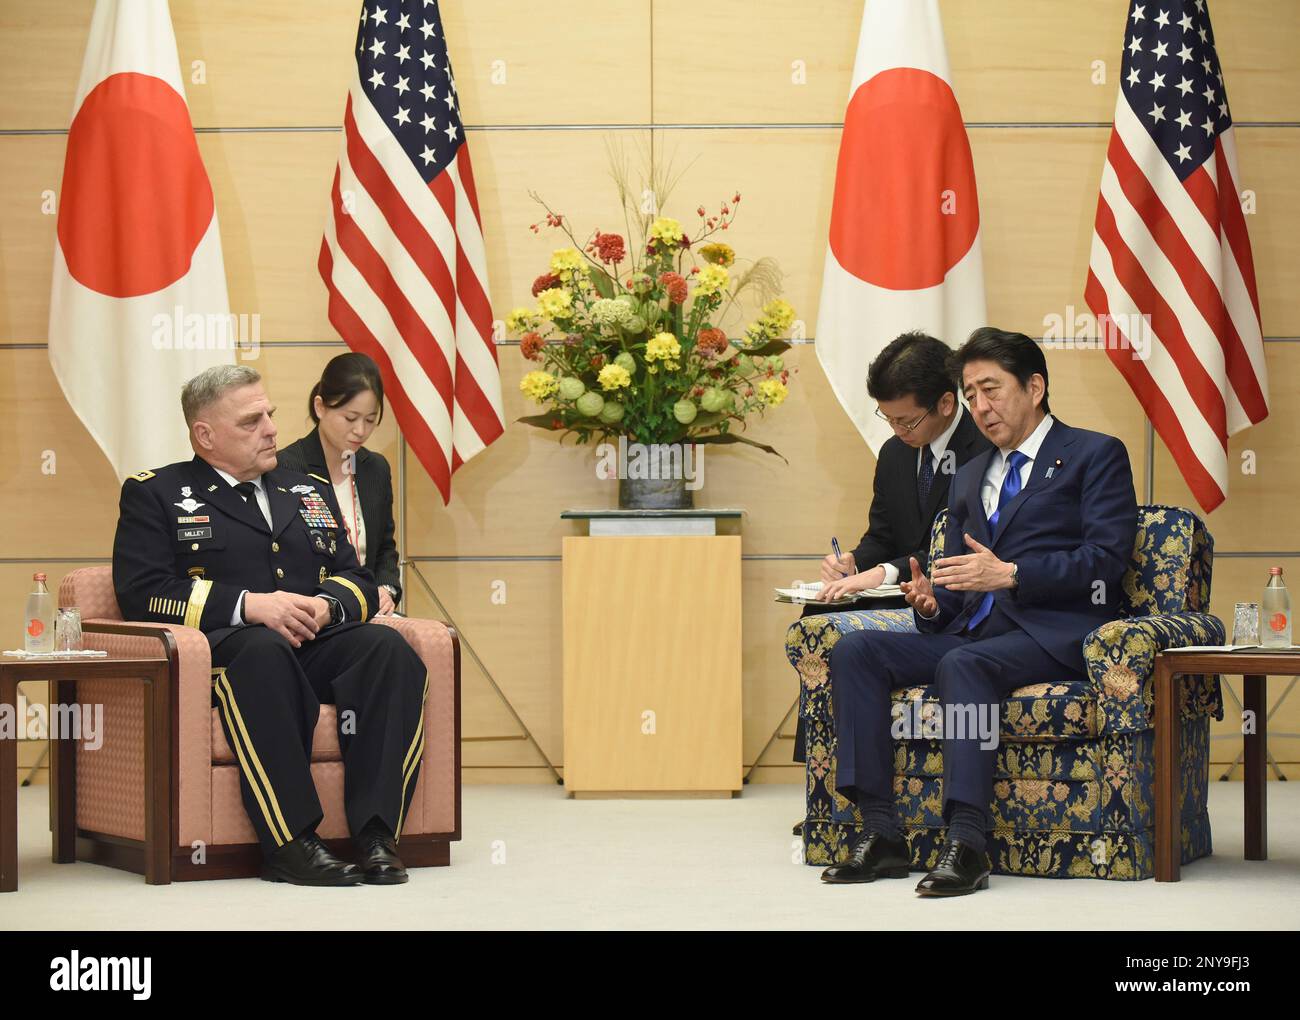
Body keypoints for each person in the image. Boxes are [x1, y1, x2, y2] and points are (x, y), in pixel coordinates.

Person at [820, 327, 1137, 896]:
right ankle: (880, 832)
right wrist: (931, 603)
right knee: (856, 649)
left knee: (964, 666)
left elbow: (1105, 562)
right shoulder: (970, 475)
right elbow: (959, 584)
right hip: (977, 631)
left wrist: (1013, 575)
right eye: (969, 395)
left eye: (991, 389)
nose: (980, 407)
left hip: (1054, 633)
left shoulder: (1095, 454)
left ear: (1035, 386)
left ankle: (968, 842)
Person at [111, 364, 428, 887]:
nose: (271, 430)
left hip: (311, 642)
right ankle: (291, 843)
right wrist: (248, 605)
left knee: (385, 650)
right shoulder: (158, 493)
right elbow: (143, 593)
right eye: (251, 421)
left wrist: (328, 605)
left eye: (270, 415)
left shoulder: (305, 488)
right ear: (205, 435)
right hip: (226, 655)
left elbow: (357, 577)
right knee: (262, 652)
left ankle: (375, 835)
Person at [790, 332, 992, 832]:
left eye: (907, 420)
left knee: (848, 626)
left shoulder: (986, 448)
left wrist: (879, 574)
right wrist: (853, 562)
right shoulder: (895, 454)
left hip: (948, 596)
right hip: (900, 584)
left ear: (947, 403)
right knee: (819, 613)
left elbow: (958, 542)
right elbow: (883, 533)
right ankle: (823, 792)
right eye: (889, 419)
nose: (898, 430)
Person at [277, 353, 401, 615]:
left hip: (371, 608)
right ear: (320, 406)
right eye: (350, 418)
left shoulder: (374, 468)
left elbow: (385, 550)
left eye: (370, 420)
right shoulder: (287, 468)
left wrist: (386, 589)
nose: (360, 430)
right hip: (314, 610)